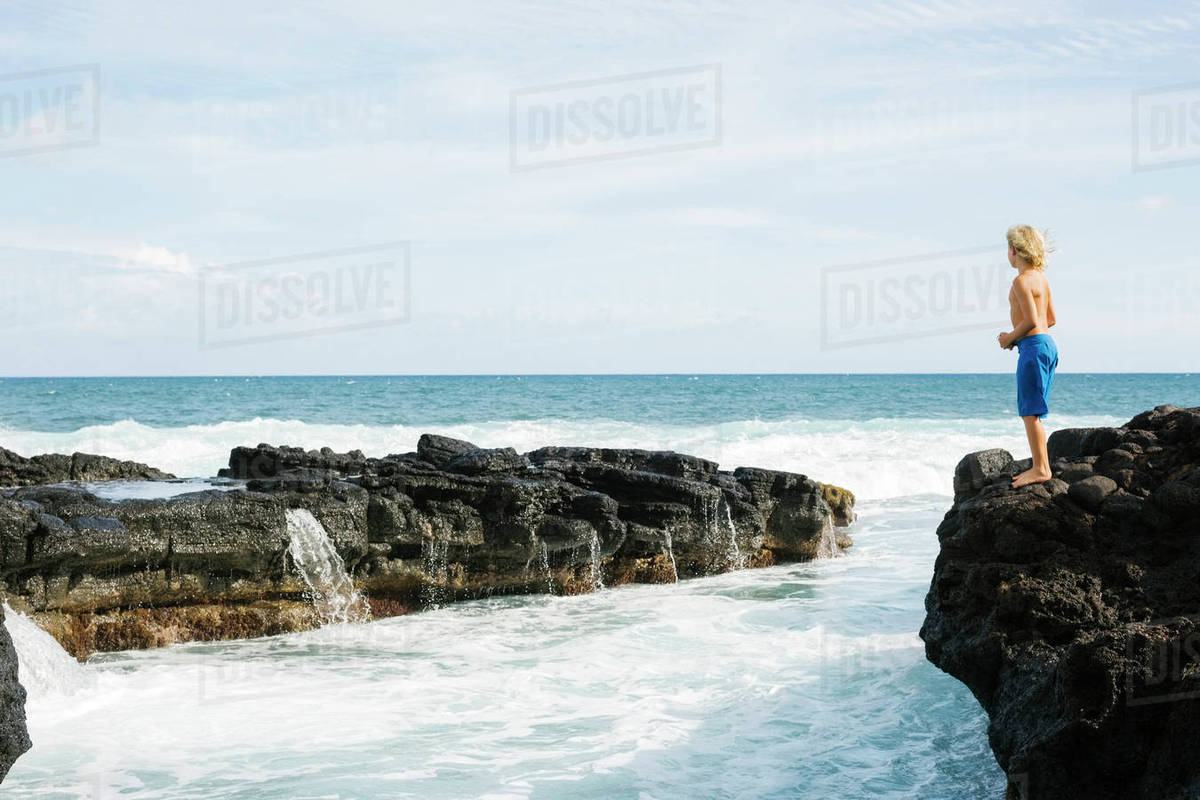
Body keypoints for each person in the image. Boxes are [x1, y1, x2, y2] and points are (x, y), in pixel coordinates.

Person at [997, 225, 1058, 488]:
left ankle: (1041, 468)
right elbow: (1051, 319)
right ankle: (1040, 464)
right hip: (1046, 345)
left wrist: (1009, 337)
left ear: (1014, 251)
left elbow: (1032, 320)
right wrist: (1021, 338)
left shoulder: (1020, 281)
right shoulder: (1041, 279)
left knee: (1030, 411)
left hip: (1033, 346)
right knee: (1034, 408)